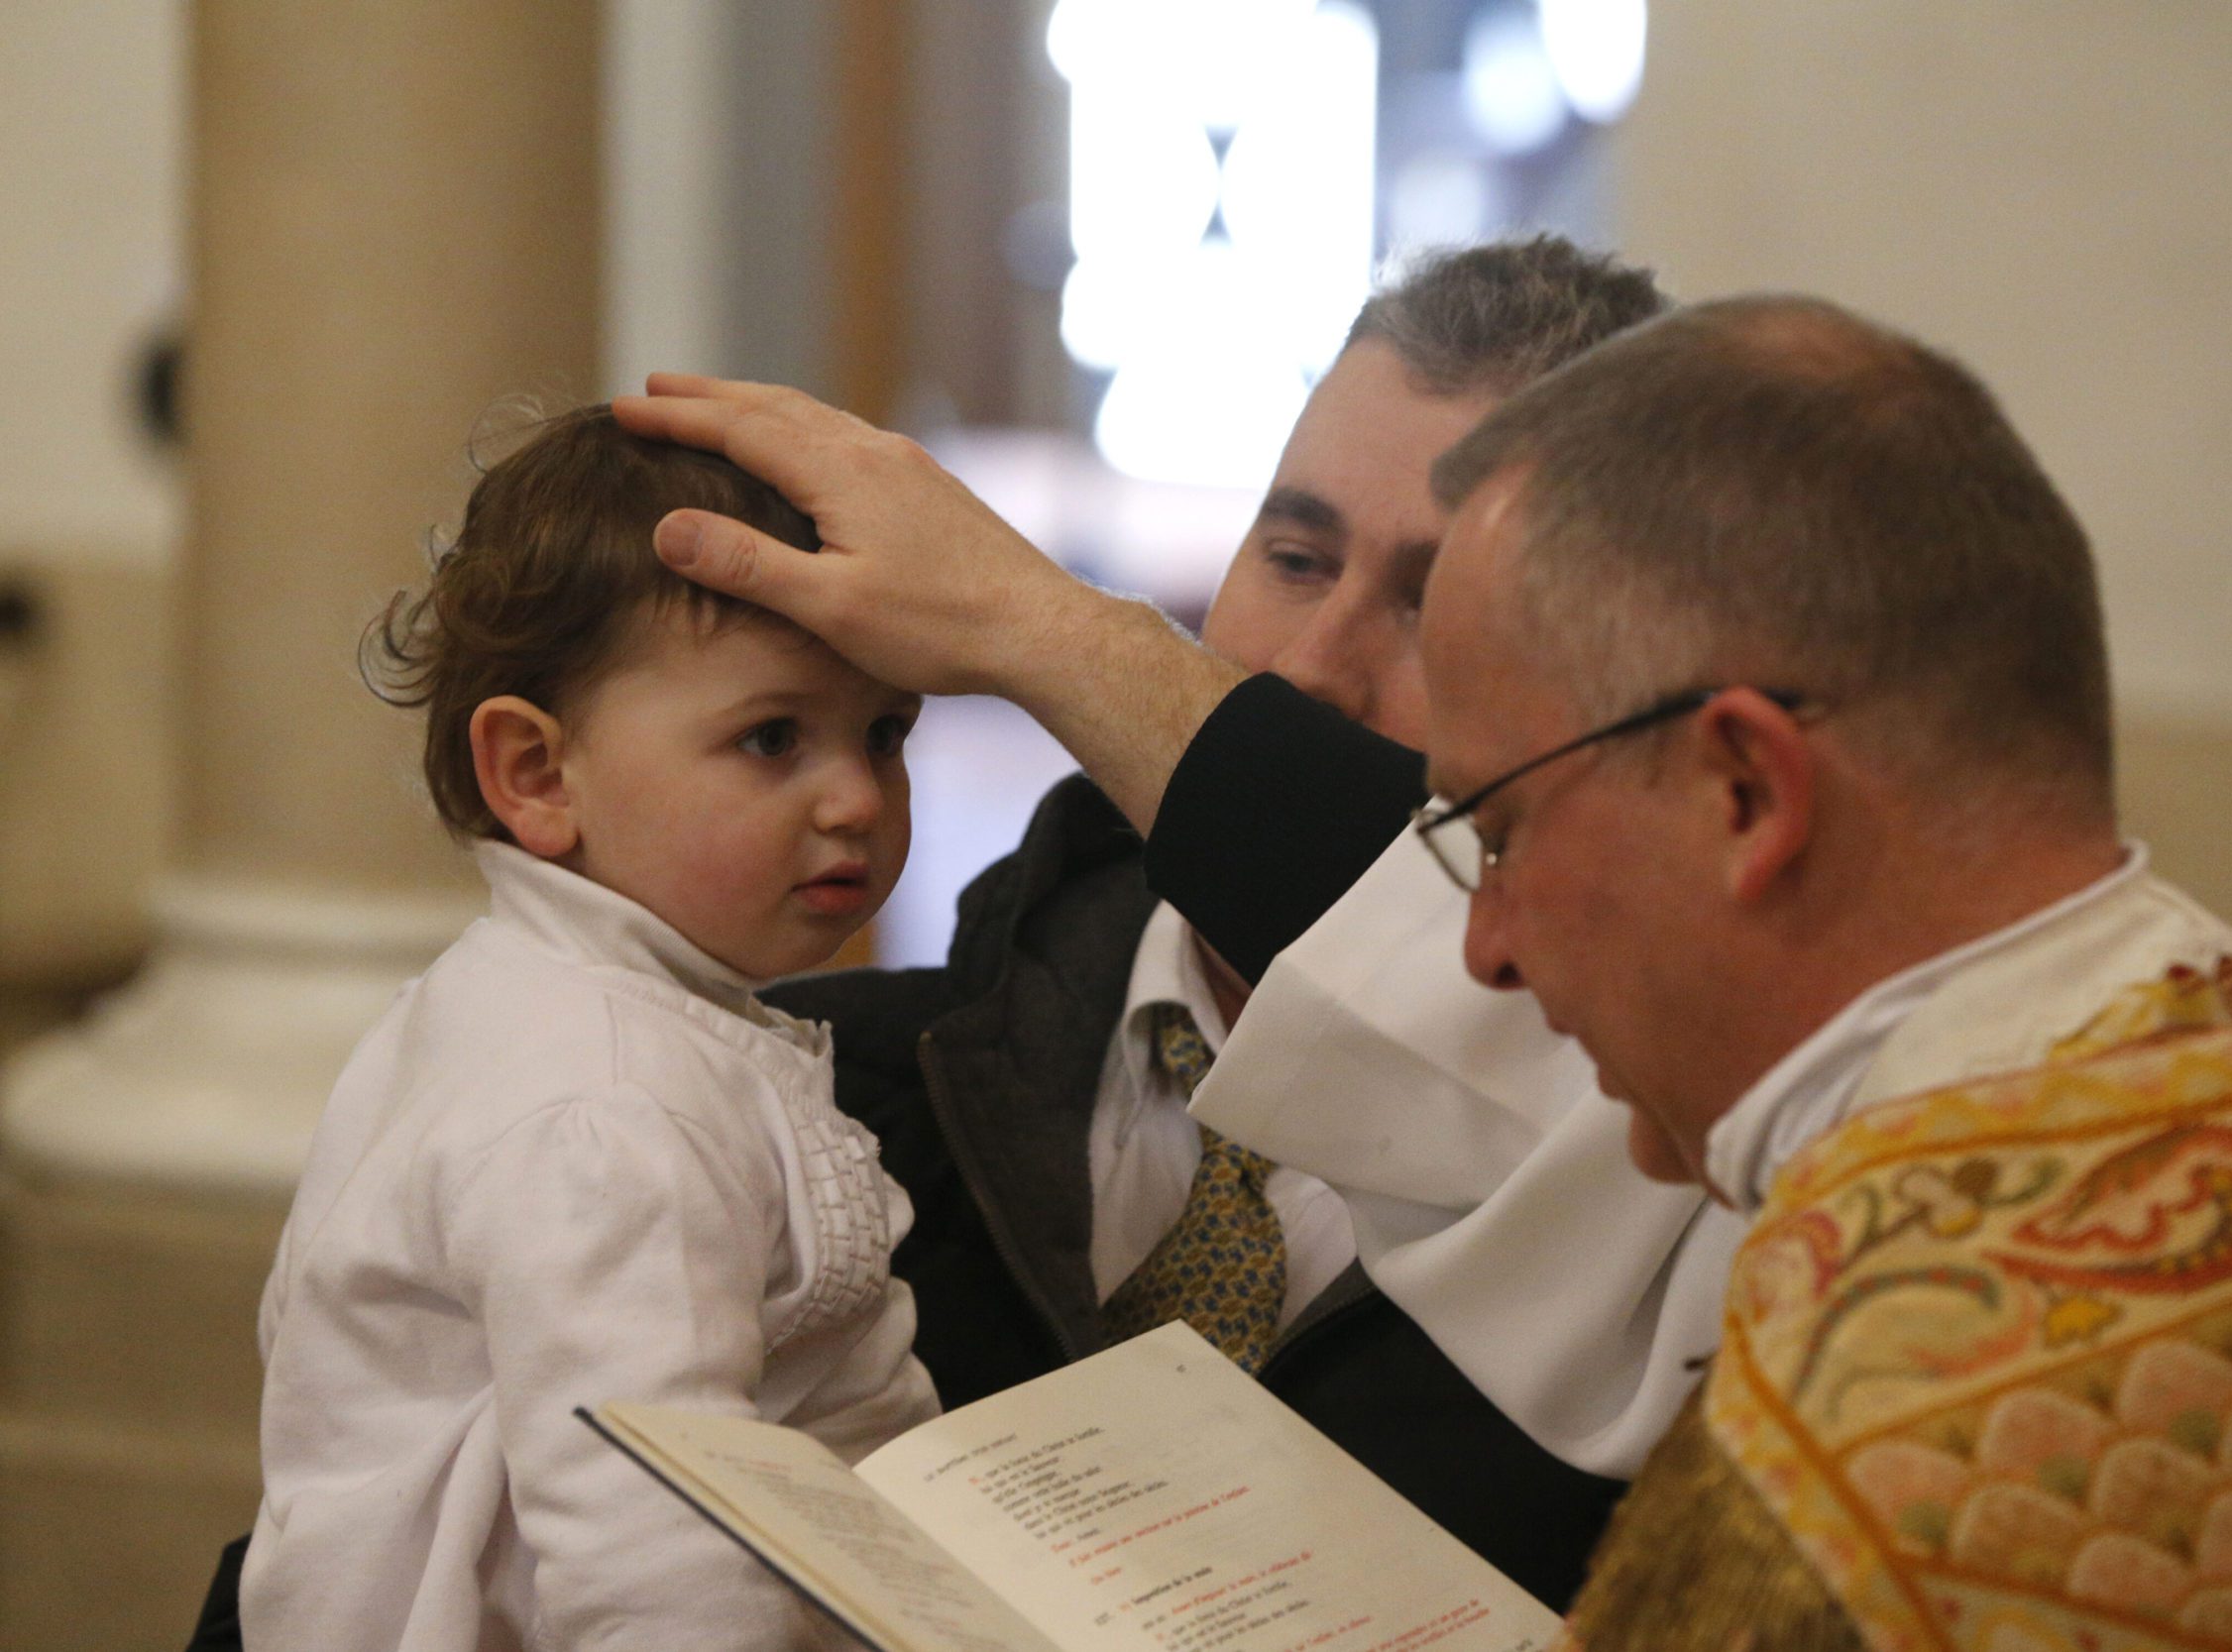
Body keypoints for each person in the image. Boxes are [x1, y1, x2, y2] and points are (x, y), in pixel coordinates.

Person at [619, 294, 2232, 1650]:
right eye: (1293, 552)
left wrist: (1037, 630)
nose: (1483, 943)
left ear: (1746, 791)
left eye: (1491, 833)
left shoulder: (1884, 1411)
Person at [184, 238, 1681, 1651]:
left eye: (1434, 606)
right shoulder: (811, 1087)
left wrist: (1035, 625)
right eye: (1292, 554)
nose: (1306, 671)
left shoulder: (1667, 1198)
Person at [240, 406, 936, 1652]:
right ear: (537, 773)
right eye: (771, 736)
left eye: (883, 733)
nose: (854, 798)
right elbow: (656, 1543)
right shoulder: (608, 1102)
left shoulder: (580, 1009)